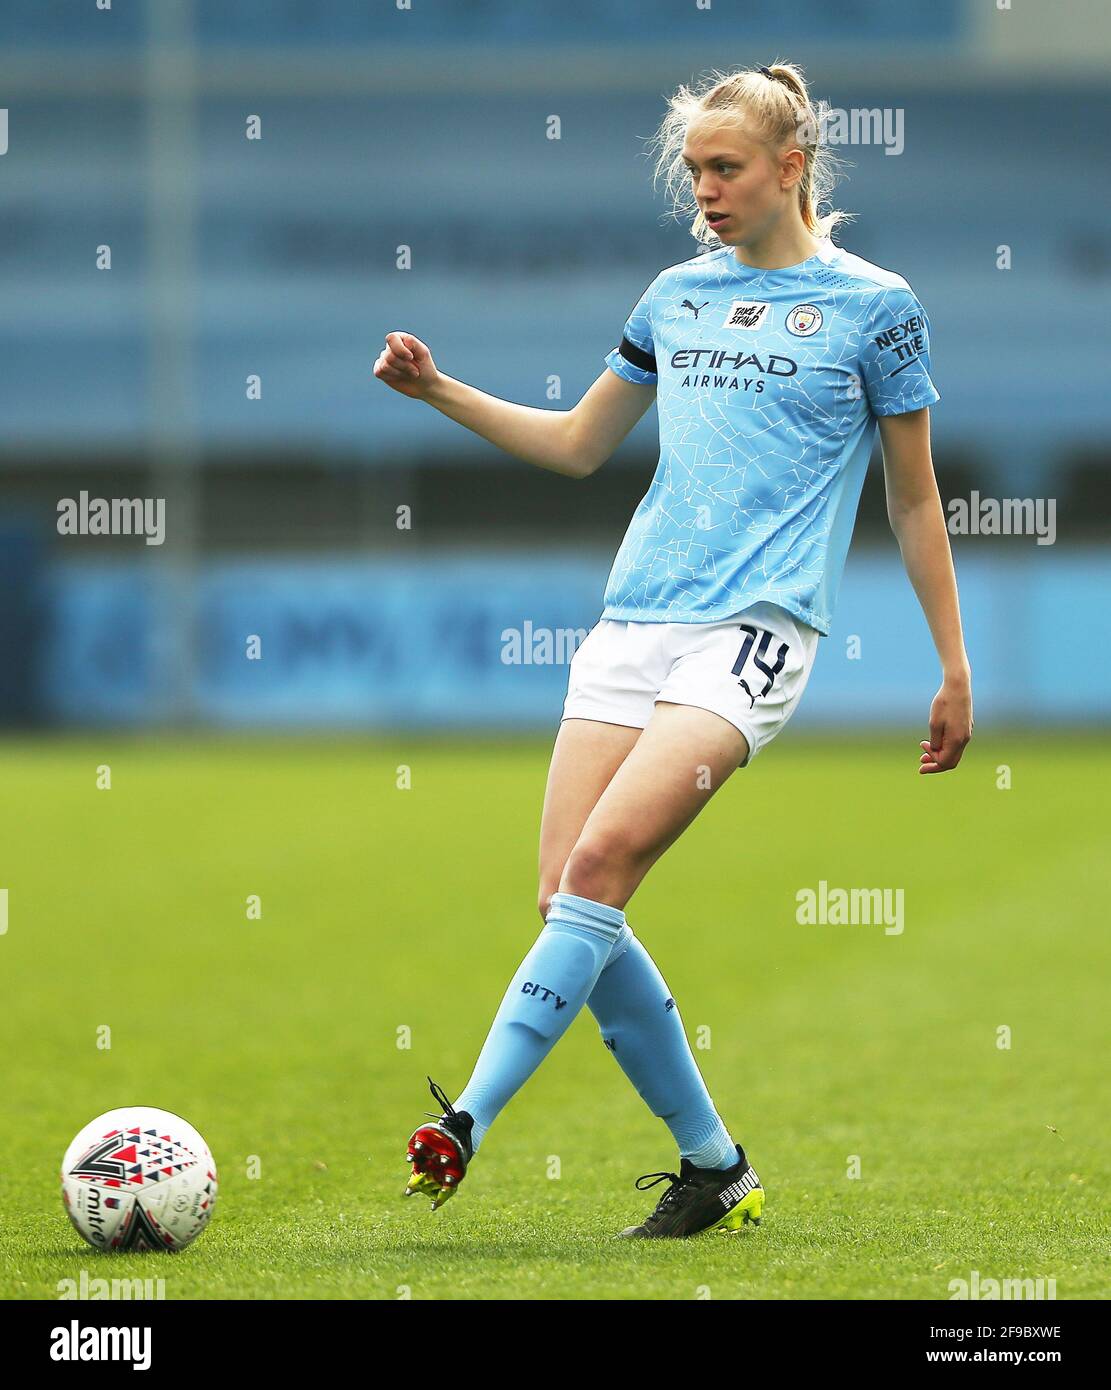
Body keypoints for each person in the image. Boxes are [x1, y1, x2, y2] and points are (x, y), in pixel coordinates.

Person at [374, 60, 973, 1239]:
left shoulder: (875, 306)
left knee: (595, 877)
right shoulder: (674, 297)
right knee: (566, 899)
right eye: (693, 169)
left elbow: (912, 500)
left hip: (754, 636)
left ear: (789, 170)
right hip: (630, 624)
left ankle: (469, 1120)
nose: (702, 188)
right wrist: (438, 388)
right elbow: (575, 446)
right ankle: (713, 1165)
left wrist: (952, 666)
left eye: (725, 167)